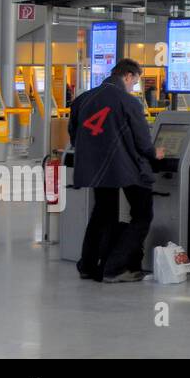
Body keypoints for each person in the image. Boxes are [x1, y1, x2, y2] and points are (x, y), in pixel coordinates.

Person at [67, 58, 159, 283]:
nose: (133, 87)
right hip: (125, 167)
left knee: (102, 213)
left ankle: (87, 266)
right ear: (127, 76)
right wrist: (155, 152)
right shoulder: (128, 102)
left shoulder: (83, 99)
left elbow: (74, 134)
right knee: (141, 214)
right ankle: (115, 268)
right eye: (134, 82)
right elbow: (142, 141)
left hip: (94, 168)